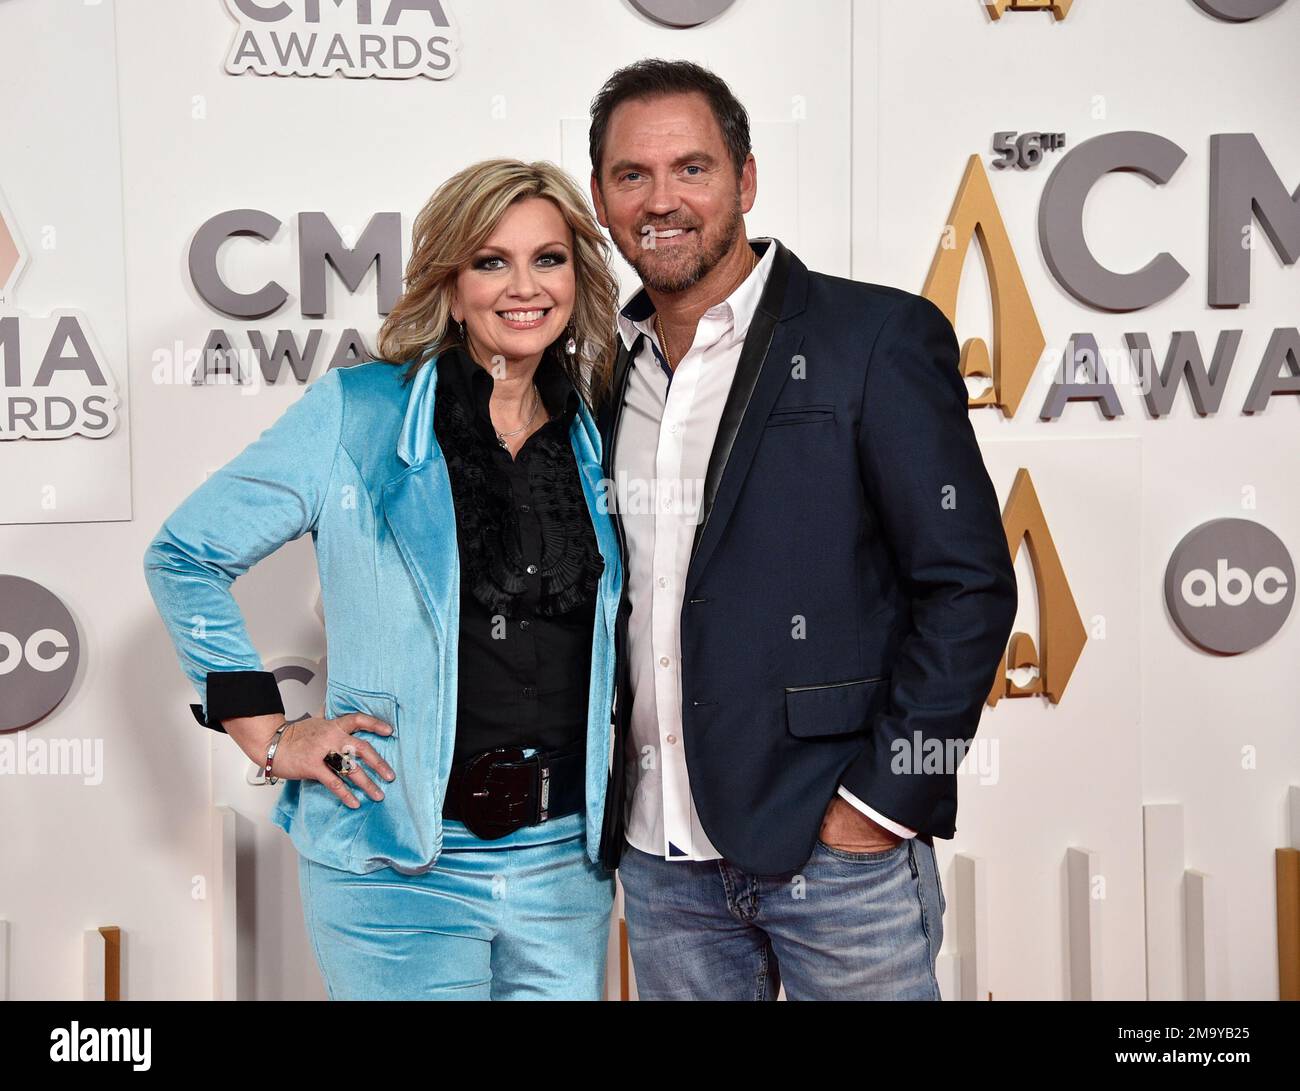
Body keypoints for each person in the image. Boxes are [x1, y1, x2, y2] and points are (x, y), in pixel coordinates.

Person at [587, 60, 1018, 1000]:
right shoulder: (600, 371)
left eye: (692, 168)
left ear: (745, 180)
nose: (663, 200)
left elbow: (971, 585)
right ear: (600, 197)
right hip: (660, 862)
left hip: (840, 862)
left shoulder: (875, 338)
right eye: (632, 176)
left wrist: (881, 802)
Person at [143, 159, 624, 1000]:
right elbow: (185, 553)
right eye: (490, 260)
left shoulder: (603, 427)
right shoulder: (358, 412)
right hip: (395, 863)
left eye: (548, 259)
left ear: (577, 276)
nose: (524, 287)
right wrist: (268, 731)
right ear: (448, 278)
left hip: (564, 867)